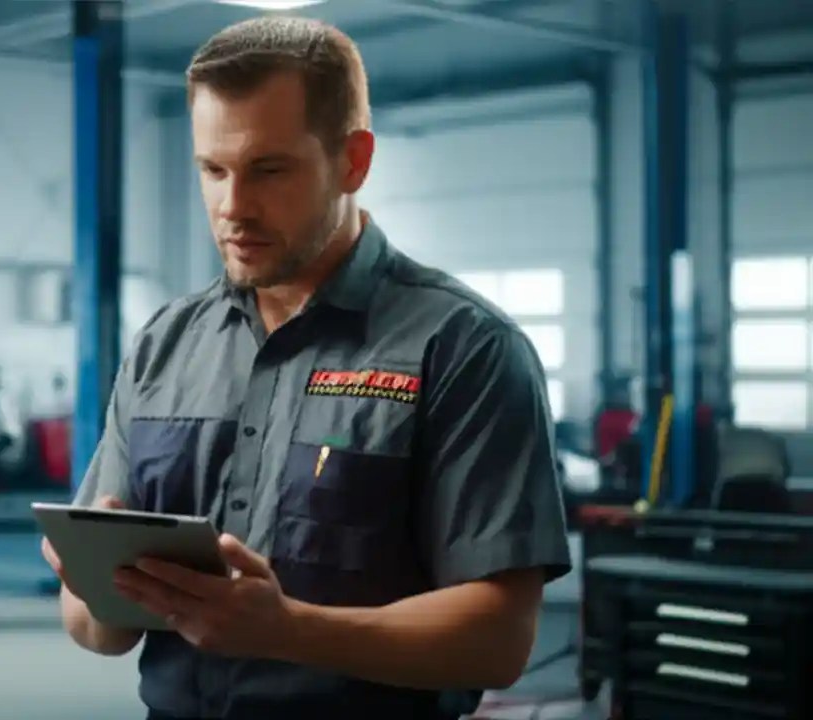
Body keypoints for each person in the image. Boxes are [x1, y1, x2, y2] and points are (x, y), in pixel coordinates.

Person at [42, 15, 572, 720]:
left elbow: (501, 635)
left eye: (268, 169)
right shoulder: (165, 348)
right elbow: (94, 629)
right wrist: (100, 586)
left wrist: (290, 631)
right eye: (213, 170)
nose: (233, 207)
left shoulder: (463, 349)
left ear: (352, 161)